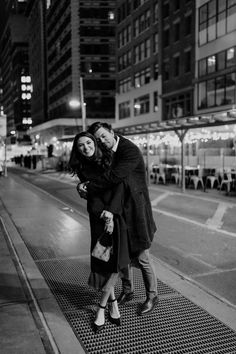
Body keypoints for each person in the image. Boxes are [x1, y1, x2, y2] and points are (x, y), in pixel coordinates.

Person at [77, 122, 158, 316]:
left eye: (104, 136)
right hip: (120, 211)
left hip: (135, 211)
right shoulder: (107, 153)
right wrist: (82, 186)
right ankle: (128, 291)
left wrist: (87, 186)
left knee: (141, 255)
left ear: (112, 132)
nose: (102, 141)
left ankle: (152, 296)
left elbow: (114, 177)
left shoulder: (128, 150)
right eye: (98, 139)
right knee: (122, 256)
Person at [69, 131, 130, 333]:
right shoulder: (82, 168)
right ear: (77, 150)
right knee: (102, 260)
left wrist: (111, 213)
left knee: (114, 263)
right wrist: (101, 213)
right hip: (98, 218)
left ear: (95, 142)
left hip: (116, 215)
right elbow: (91, 196)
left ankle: (101, 309)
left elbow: (119, 188)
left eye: (88, 142)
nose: (86, 147)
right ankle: (112, 302)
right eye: (81, 145)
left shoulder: (110, 159)